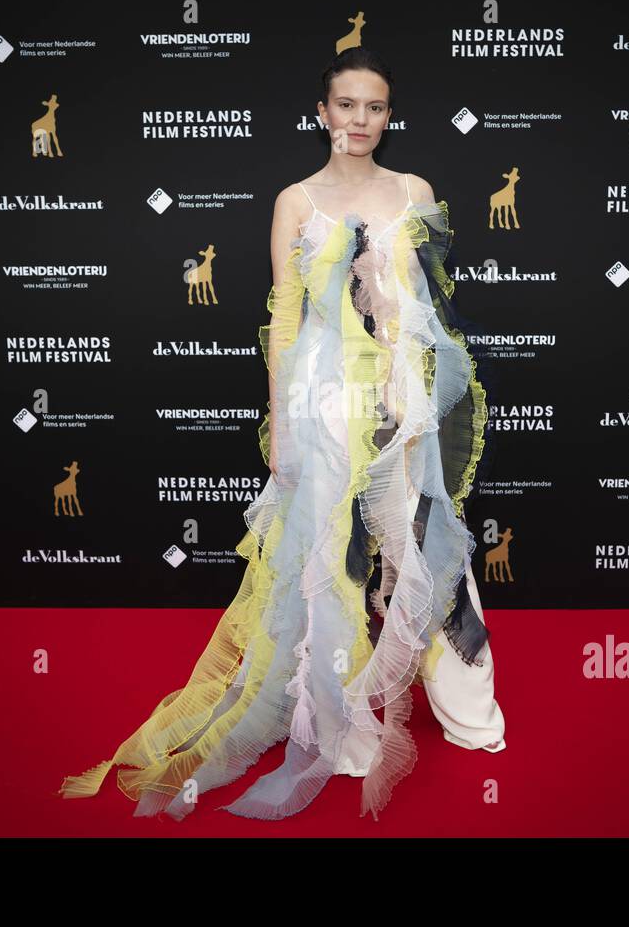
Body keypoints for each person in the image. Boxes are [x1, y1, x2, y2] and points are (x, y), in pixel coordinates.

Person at [57, 47, 504, 822]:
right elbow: (286, 323)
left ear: (387, 117)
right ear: (323, 112)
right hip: (328, 407)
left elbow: (430, 305)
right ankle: (348, 732)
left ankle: (471, 713)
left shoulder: (415, 191)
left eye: (375, 107)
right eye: (347, 105)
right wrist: (286, 429)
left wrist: (426, 399)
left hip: (406, 406)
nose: (360, 120)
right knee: (334, 570)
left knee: (431, 554)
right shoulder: (295, 201)